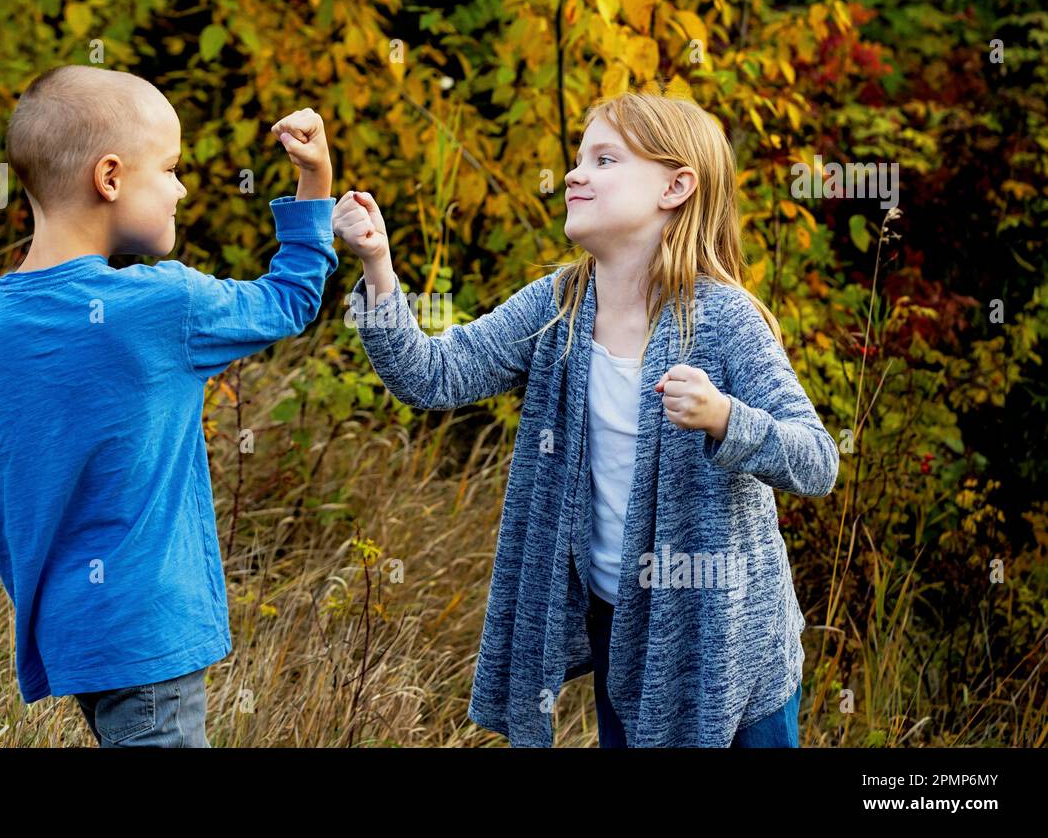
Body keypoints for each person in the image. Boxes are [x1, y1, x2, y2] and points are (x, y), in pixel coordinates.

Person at [333, 90, 838, 747]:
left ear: (676, 186)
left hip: (729, 646)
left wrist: (725, 418)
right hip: (622, 625)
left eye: (605, 160)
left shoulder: (724, 319)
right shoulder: (557, 306)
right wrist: (378, 266)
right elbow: (432, 376)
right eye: (578, 160)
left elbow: (817, 461)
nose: (575, 174)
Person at [0, 64, 340, 746]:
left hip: (70, 632)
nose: (182, 187)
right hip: (148, 630)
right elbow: (291, 299)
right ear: (110, 178)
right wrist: (317, 182)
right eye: (171, 168)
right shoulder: (162, 306)